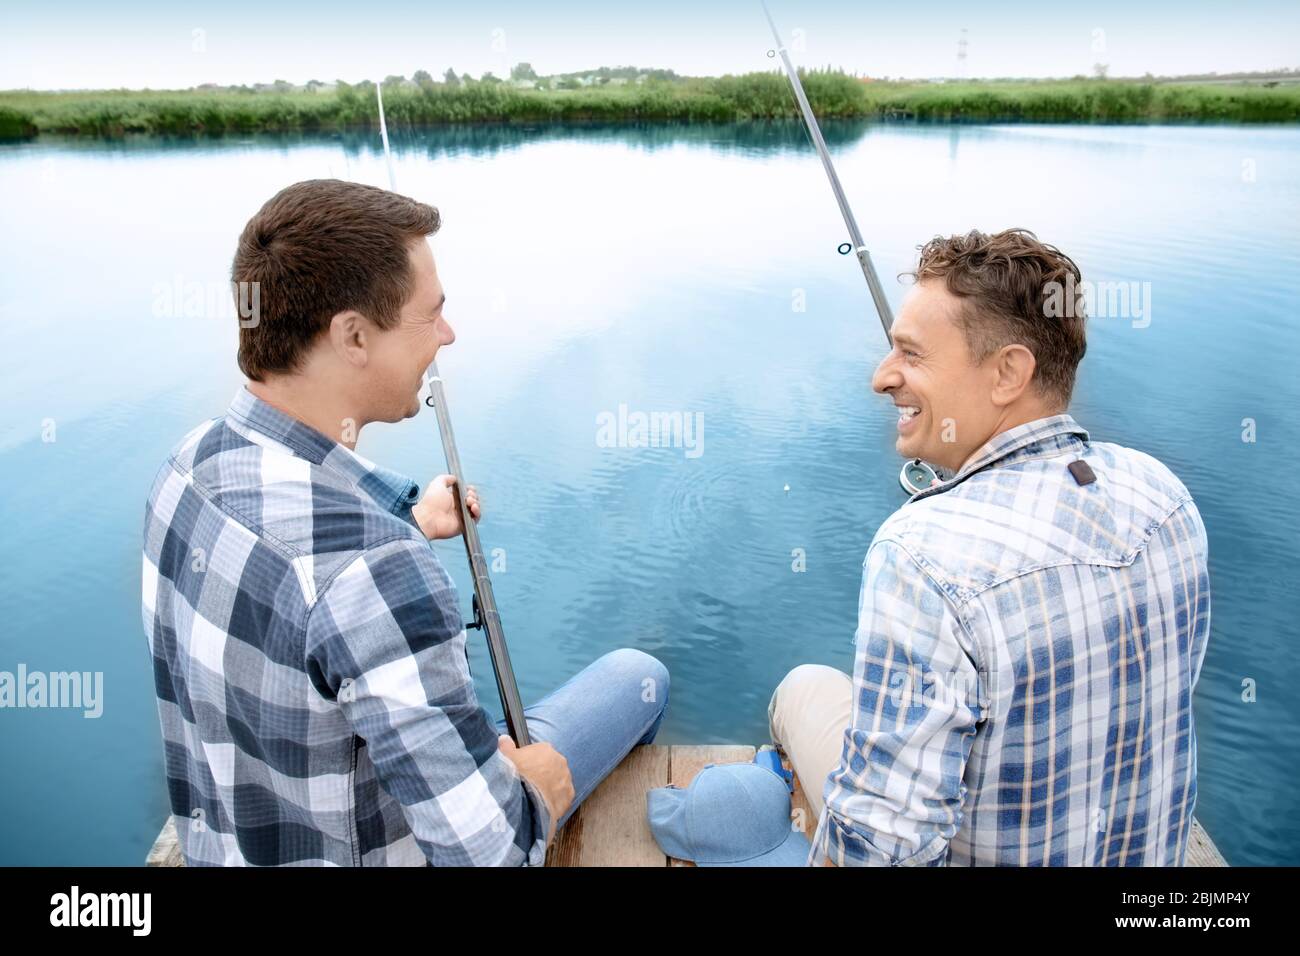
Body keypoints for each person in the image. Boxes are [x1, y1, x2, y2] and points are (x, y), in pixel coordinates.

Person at [141, 179, 669, 866]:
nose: (448, 335)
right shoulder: (377, 571)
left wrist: (408, 525)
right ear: (353, 335)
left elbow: (302, 595)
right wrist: (531, 792)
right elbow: (490, 854)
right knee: (638, 675)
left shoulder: (188, 467)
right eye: (432, 314)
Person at [769, 228, 1210, 866]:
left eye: (911, 355)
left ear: (1008, 373)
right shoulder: (1163, 494)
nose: (881, 377)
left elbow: (880, 855)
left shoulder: (920, 555)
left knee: (802, 688)